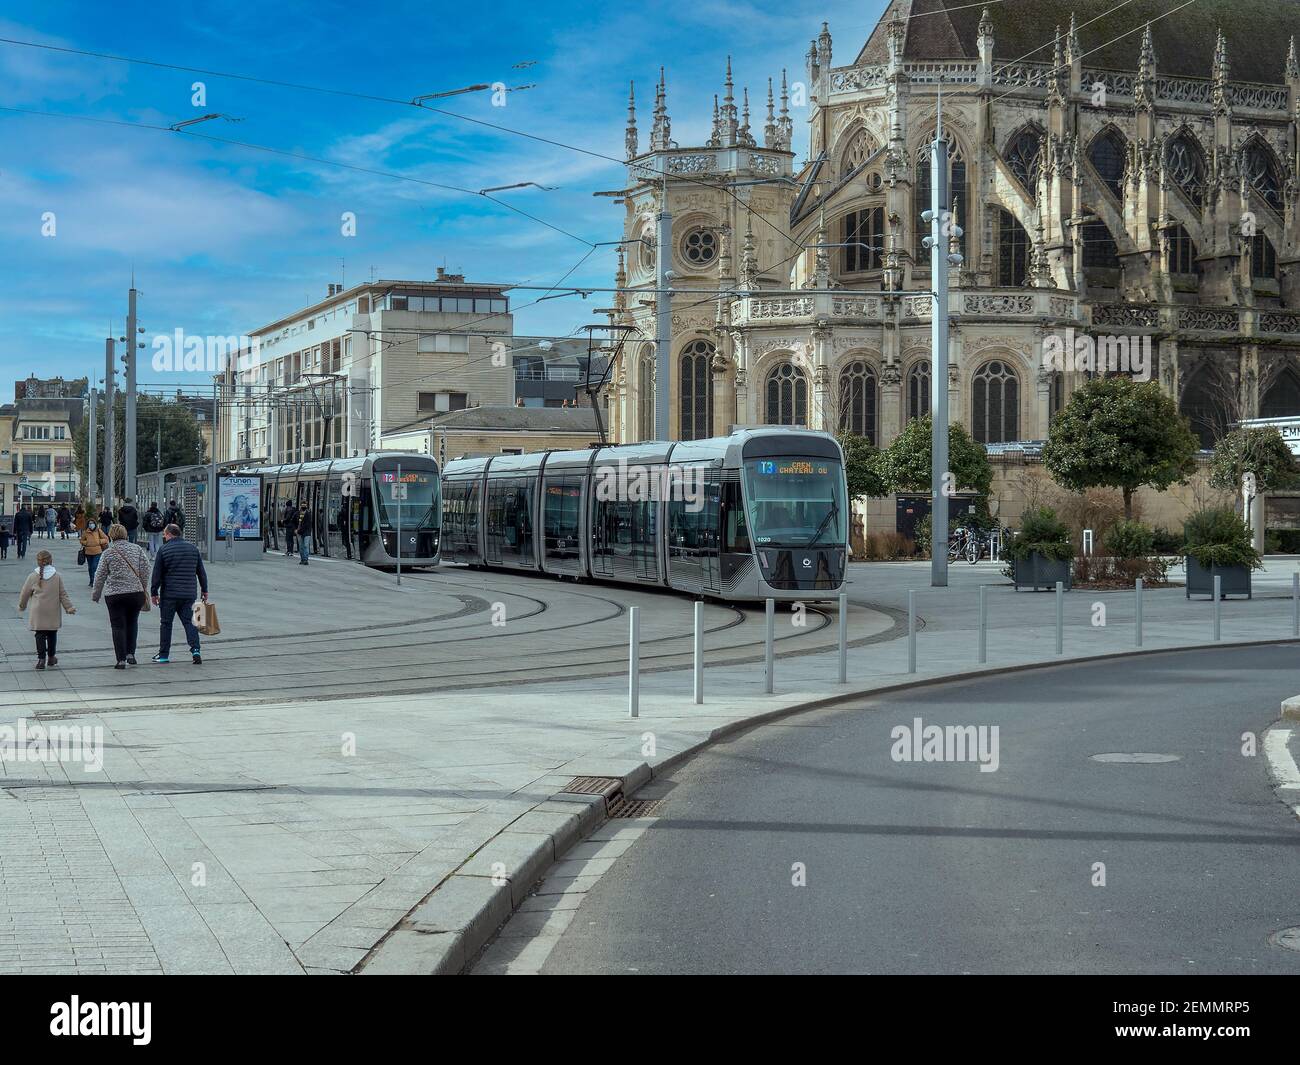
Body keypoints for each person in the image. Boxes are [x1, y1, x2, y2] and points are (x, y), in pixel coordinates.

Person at [92, 524, 151, 669]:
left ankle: (120, 660)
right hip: (135, 593)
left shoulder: (108, 553)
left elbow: (100, 575)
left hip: (115, 595)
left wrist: (96, 594)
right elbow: (146, 568)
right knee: (132, 622)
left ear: (111, 535)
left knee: (118, 626)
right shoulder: (136, 549)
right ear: (125, 534)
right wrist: (142, 585)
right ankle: (131, 653)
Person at [150, 523, 207, 665]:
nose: (163, 536)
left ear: (169, 534)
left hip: (169, 594)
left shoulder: (163, 550)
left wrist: (153, 592)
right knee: (190, 623)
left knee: (166, 624)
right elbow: (201, 572)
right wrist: (204, 590)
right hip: (189, 594)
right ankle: (196, 650)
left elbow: (156, 574)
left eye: (164, 534)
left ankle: (163, 654)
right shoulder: (193, 549)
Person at [17, 549, 76, 669]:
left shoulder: (32, 576)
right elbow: (62, 594)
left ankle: (41, 659)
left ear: (38, 561)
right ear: (51, 560)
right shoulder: (57, 576)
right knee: (52, 634)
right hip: (52, 611)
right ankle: (51, 657)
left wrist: (22, 606)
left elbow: (25, 593)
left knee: (39, 634)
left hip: (38, 611)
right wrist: (69, 607)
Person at [79, 519, 109, 587]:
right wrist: (86, 543)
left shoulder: (98, 531)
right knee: (90, 568)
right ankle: (91, 581)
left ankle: (95, 581)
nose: (91, 525)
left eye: (92, 523)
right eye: (89, 523)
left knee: (94, 566)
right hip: (88, 552)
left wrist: (99, 541)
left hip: (97, 551)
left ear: (95, 524)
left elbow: (106, 539)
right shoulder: (85, 532)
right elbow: (81, 540)